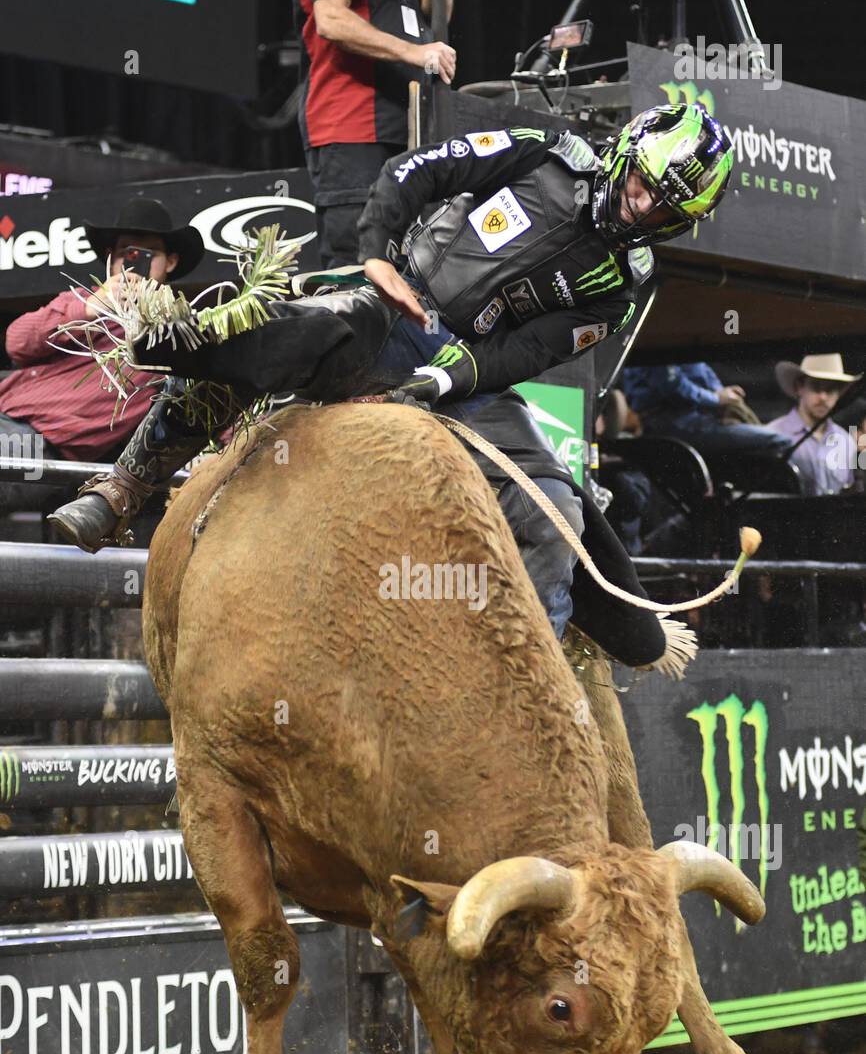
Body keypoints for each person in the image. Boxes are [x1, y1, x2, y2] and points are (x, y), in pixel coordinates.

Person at [50, 103, 733, 662]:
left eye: (665, 213)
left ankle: (524, 678)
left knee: (556, 511)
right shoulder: (543, 153)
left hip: (469, 377)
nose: (642, 211)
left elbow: (528, 352)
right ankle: (125, 484)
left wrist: (445, 378)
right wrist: (375, 255)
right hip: (393, 299)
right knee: (297, 328)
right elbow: (417, 170)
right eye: (644, 187)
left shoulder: (622, 285)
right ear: (628, 152)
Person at [289, 0, 457, 267]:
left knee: (412, 272)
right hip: (354, 130)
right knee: (359, 272)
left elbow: (421, 19)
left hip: (406, 129)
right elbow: (332, 19)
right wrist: (417, 54)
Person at [0, 199, 204, 462]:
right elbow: (16, 341)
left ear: (171, 262)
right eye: (127, 253)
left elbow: (212, 398)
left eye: (149, 253)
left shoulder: (178, 331)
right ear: (112, 258)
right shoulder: (81, 299)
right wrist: (90, 308)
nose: (135, 263)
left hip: (39, 443)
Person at [622, 361, 791, 461]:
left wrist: (723, 399)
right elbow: (673, 386)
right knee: (780, 440)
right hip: (671, 422)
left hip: (695, 418)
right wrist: (716, 399)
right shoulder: (660, 336)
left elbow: (704, 372)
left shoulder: (683, 335)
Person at [766, 353, 861, 496]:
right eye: (816, 387)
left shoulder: (846, 442)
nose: (823, 397)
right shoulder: (772, 435)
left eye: (830, 390)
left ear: (839, 394)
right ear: (799, 387)